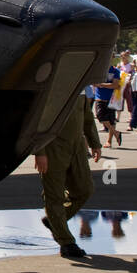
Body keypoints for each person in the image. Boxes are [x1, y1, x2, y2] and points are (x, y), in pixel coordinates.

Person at [36, 94, 103, 259]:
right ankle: (66, 243)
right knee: (54, 196)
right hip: (53, 146)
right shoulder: (54, 87)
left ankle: (55, 220)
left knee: (85, 189)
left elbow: (87, 118)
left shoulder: (80, 89)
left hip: (77, 146)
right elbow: (38, 121)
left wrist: (94, 142)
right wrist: (40, 151)